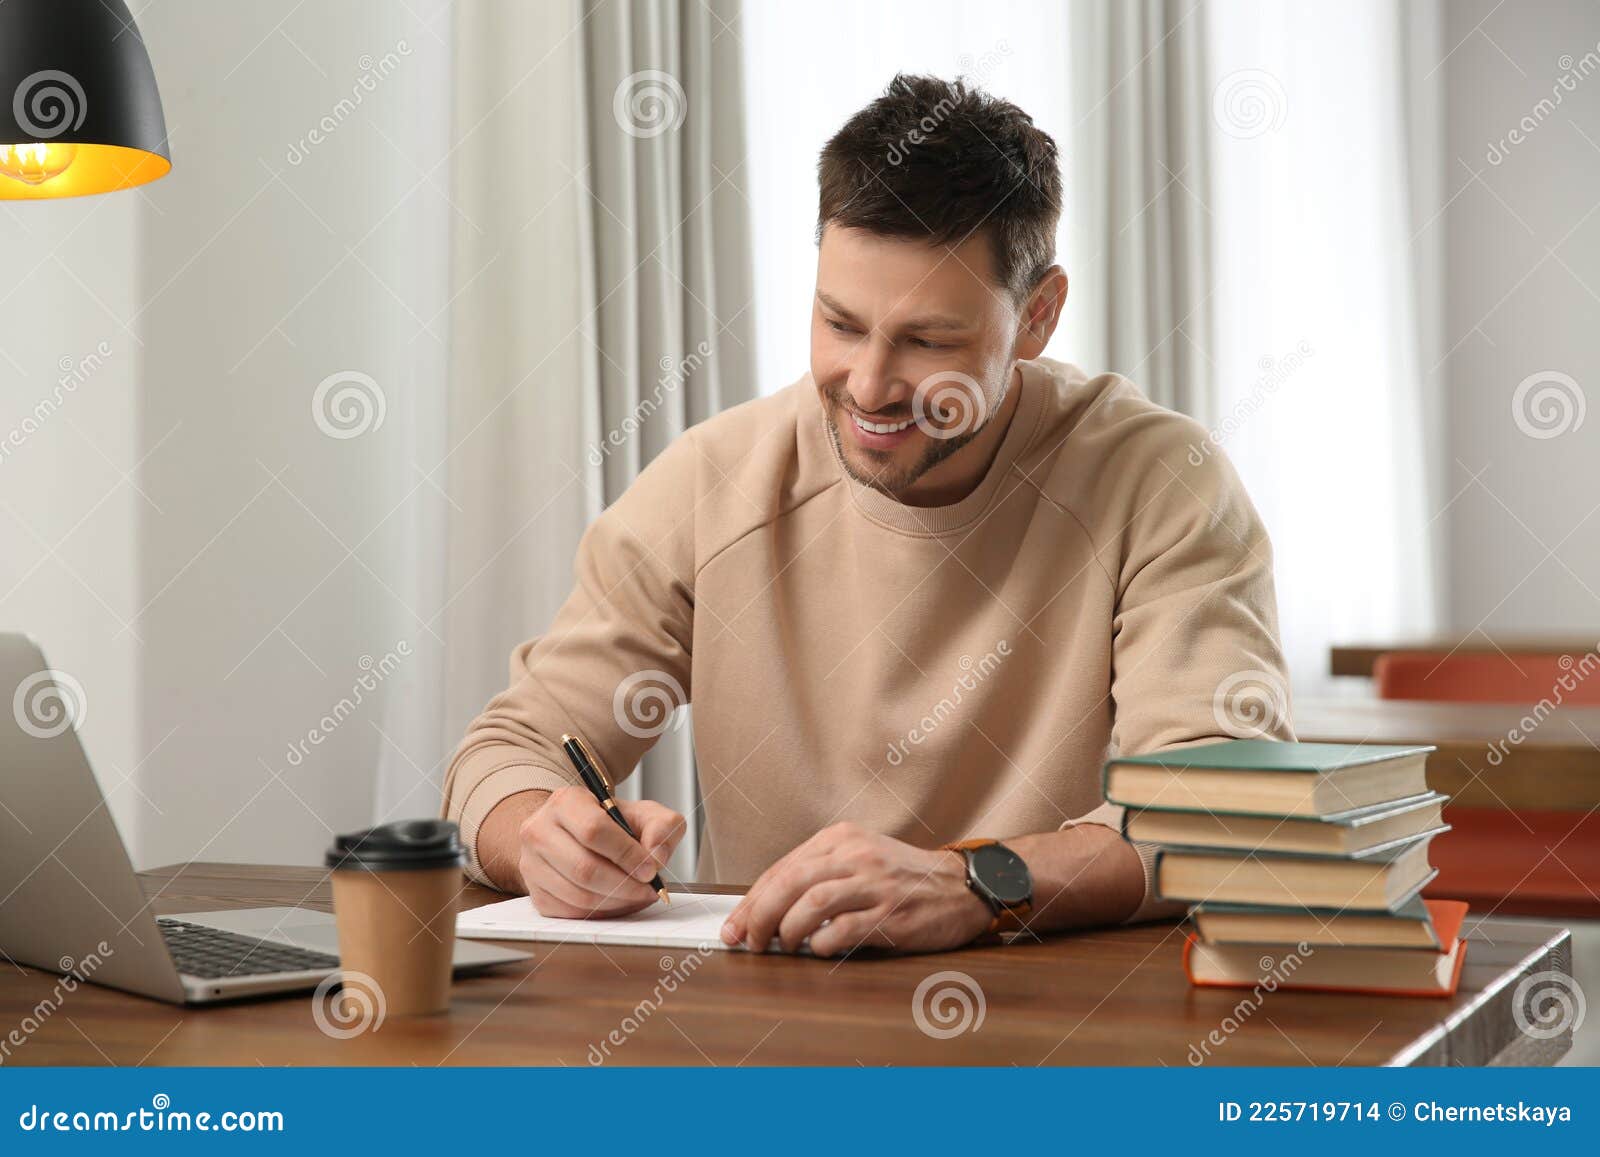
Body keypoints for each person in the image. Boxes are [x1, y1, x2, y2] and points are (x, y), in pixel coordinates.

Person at [442, 74, 1291, 957]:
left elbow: (1227, 816)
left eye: (929, 341)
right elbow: (505, 751)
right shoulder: (716, 481)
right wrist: (541, 831)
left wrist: (974, 883)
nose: (873, 386)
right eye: (841, 323)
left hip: (1060, 1031)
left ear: (1037, 315)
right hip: (771, 1031)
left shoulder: (1162, 483)